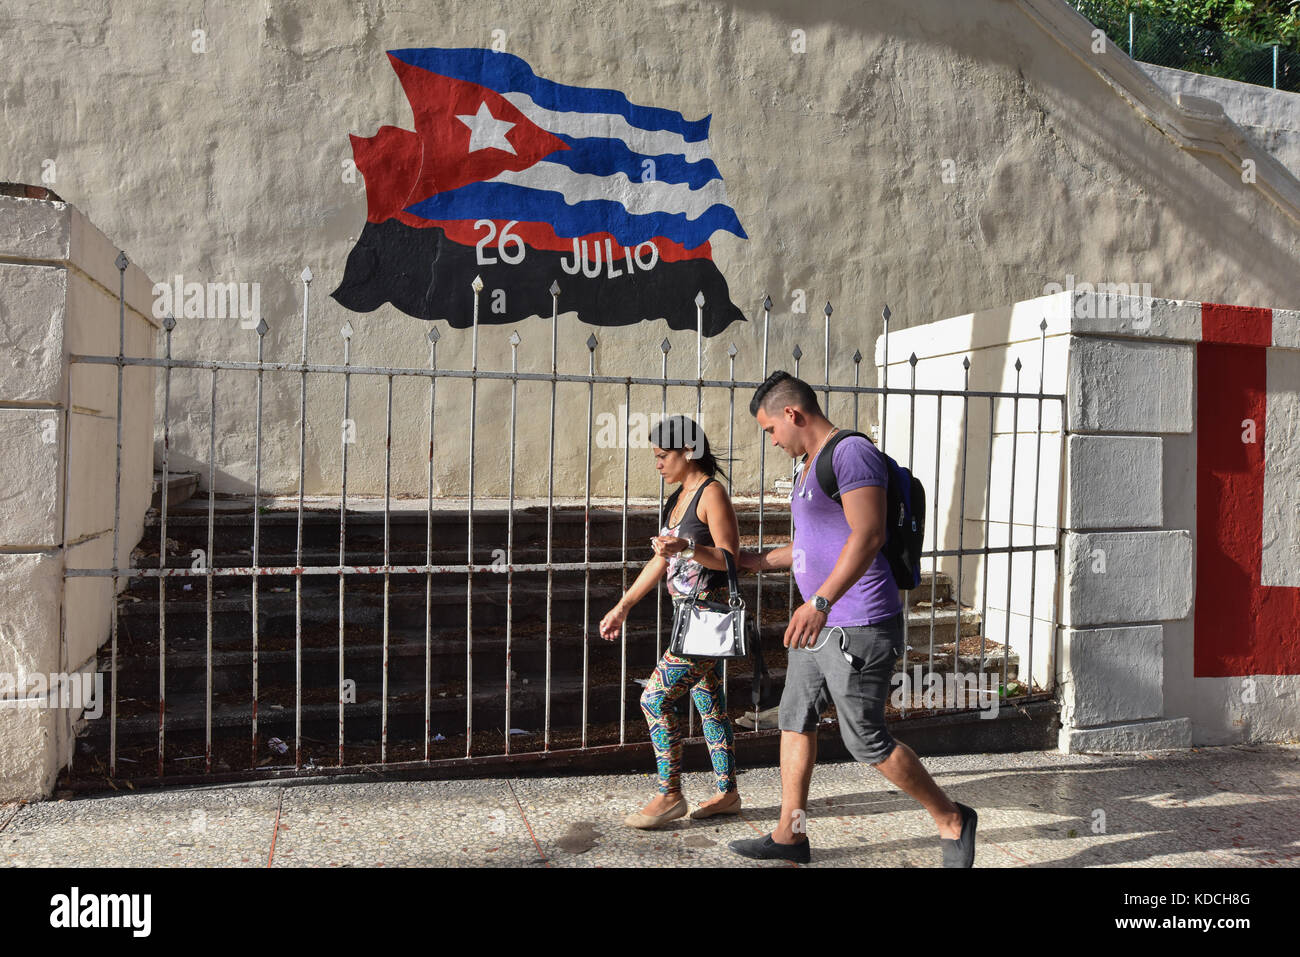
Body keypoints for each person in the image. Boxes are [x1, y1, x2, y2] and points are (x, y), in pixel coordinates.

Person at [727, 371, 977, 866]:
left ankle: (952, 818)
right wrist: (754, 561)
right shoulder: (808, 466)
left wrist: (818, 601)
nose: (772, 440)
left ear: (792, 415)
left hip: (857, 622)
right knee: (795, 721)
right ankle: (789, 835)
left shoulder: (850, 453)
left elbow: (868, 534)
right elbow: (813, 545)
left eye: (770, 429)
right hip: (819, 627)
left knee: (864, 738)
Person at [599, 415, 743, 828]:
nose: (658, 464)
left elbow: (730, 559)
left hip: (706, 614)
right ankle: (727, 792)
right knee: (708, 702)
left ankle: (669, 794)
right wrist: (623, 606)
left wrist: (689, 547)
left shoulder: (711, 494)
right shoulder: (678, 497)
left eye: (663, 456)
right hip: (687, 616)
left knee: (654, 699)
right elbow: (660, 560)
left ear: (689, 451)